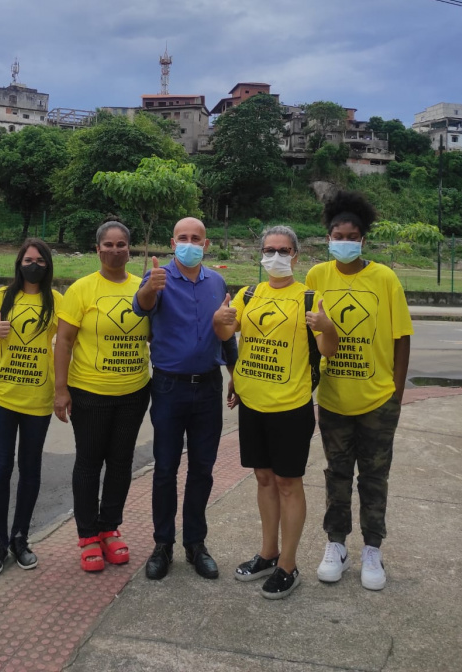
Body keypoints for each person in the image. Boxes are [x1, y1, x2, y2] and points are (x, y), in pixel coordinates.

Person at [214, 225, 338, 599]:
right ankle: (268, 553)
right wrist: (221, 322)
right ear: (261, 255)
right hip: (252, 403)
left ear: (296, 256)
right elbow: (227, 336)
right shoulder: (250, 295)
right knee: (264, 478)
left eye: (284, 250)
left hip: (290, 406)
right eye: (269, 250)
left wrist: (328, 326)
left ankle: (288, 563)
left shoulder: (308, 299)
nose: (276, 256)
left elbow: (328, 349)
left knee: (288, 483)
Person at [307, 191, 413, 591]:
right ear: (328, 237)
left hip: (376, 401)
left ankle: (372, 548)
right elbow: (310, 332)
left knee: (374, 477)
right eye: (337, 234)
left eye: (352, 235)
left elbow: (402, 338)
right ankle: (336, 544)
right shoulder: (318, 276)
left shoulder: (384, 278)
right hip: (334, 399)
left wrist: (396, 394)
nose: (344, 241)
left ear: (363, 239)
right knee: (336, 475)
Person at [133, 216, 234, 581]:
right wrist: (150, 288)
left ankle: (195, 544)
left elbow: (226, 332)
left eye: (196, 238)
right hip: (169, 387)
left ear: (206, 245)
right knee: (164, 469)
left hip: (207, 387)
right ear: (172, 242)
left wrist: (234, 374)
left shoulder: (217, 282)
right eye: (182, 238)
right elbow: (141, 307)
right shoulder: (157, 278)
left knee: (203, 470)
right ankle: (163, 544)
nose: (189, 243)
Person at [54, 221, 151, 572]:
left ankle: (110, 528)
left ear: (131, 249)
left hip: (134, 393)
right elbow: (63, 341)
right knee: (89, 462)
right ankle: (87, 535)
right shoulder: (82, 289)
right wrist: (60, 390)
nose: (114, 250)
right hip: (89, 394)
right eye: (108, 244)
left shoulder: (143, 289)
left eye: (121, 244)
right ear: (97, 249)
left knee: (121, 462)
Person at [0, 238, 62, 578]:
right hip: (1, 396)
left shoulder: (55, 302)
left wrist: (61, 391)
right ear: (18, 262)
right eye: (28, 259)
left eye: (40, 260)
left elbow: (67, 341)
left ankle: (20, 538)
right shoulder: (0, 298)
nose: (34, 264)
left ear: (48, 264)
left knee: (31, 469)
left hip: (37, 399)